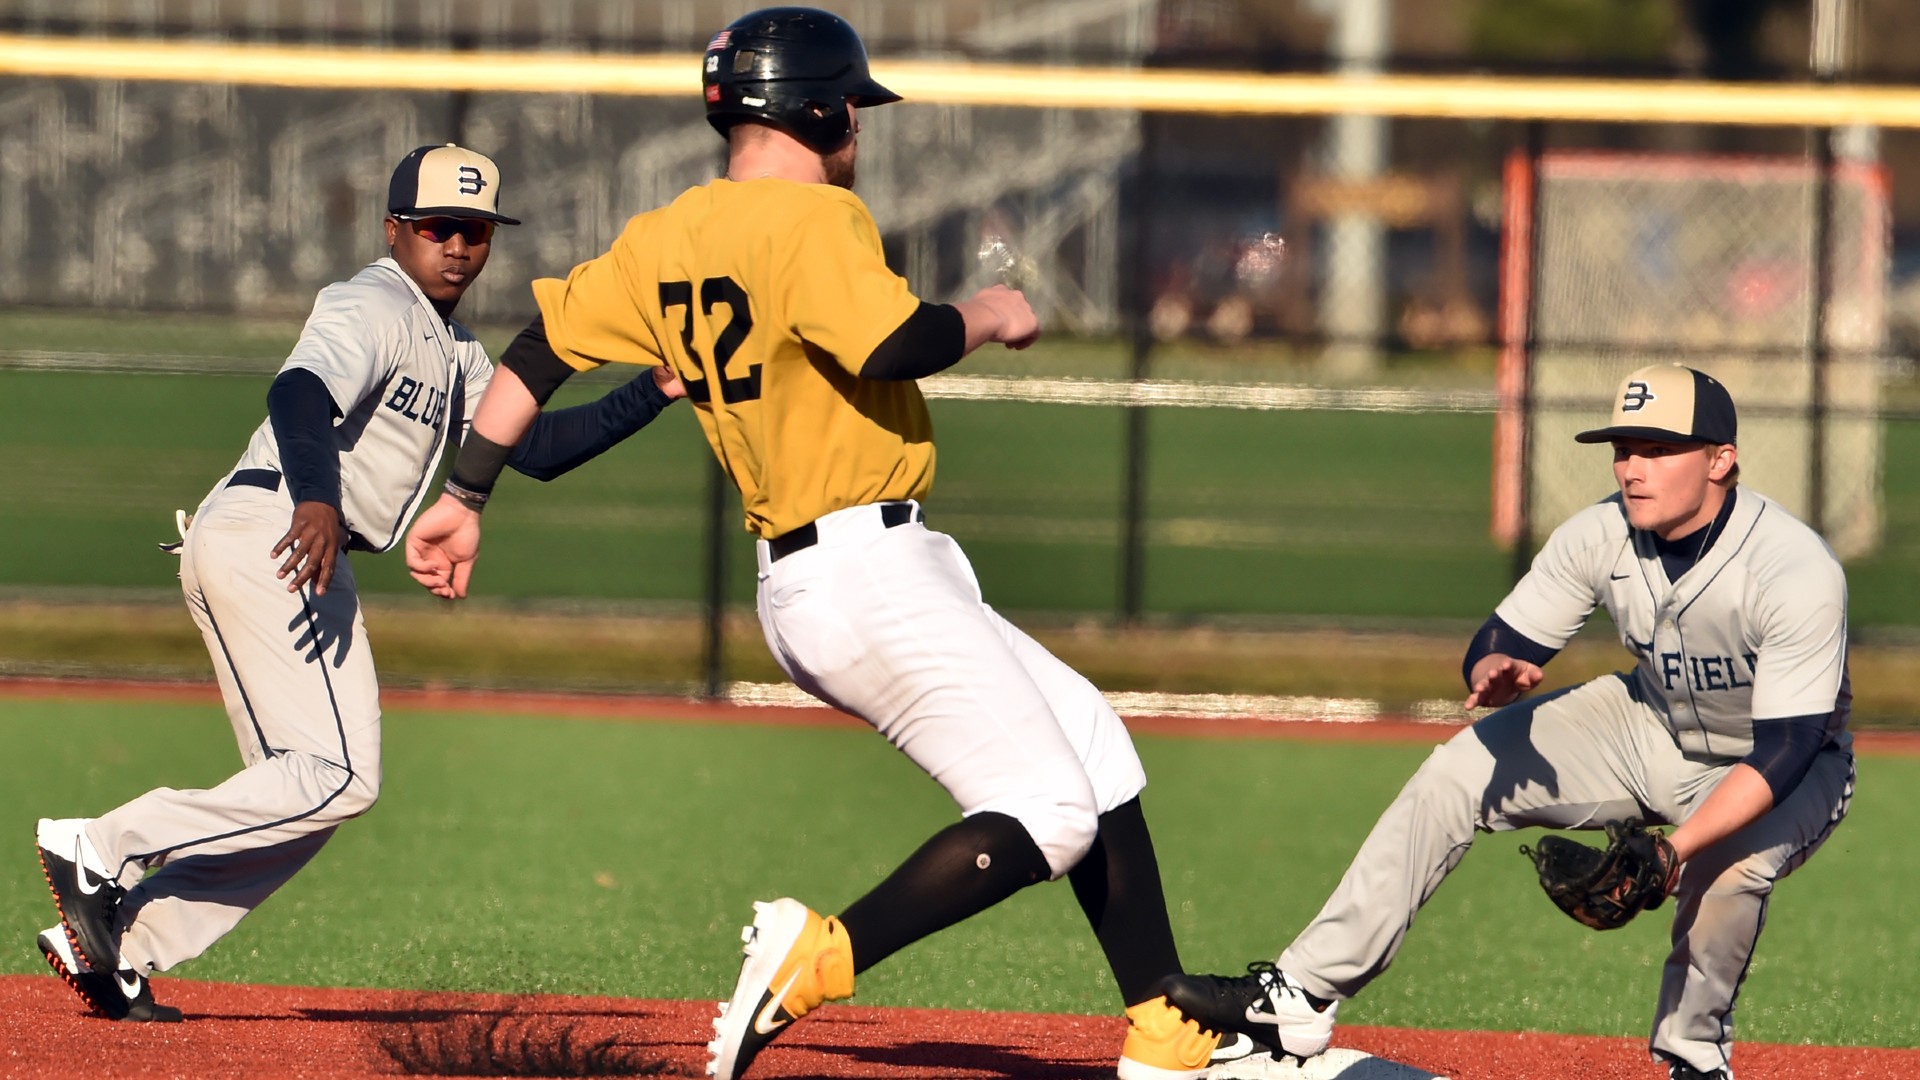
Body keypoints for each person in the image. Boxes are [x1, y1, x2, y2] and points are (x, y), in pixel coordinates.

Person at [401, 9, 1237, 1079]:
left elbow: (538, 351)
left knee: (1095, 749)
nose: (860, 131)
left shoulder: (664, 237)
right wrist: (986, 311)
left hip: (834, 572)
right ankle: (822, 952)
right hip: (862, 570)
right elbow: (896, 341)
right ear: (824, 109)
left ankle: (1164, 1024)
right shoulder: (817, 220)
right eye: (855, 110)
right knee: (1051, 809)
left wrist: (467, 491)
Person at [33, 144, 684, 1022]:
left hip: (291, 542)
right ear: (396, 230)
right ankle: (103, 843)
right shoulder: (372, 301)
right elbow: (299, 392)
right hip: (283, 531)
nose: (458, 246)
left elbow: (537, 448)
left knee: (314, 791)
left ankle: (119, 943)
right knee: (340, 777)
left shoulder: (455, 349)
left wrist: (657, 388)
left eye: (477, 231)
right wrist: (316, 499)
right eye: (439, 227)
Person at [1158, 364, 1854, 1080]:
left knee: (1725, 869)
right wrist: (1493, 668)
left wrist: (1674, 850)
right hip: (1649, 722)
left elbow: (1789, 745)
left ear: (1720, 460)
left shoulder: (1793, 568)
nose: (1632, 468)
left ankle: (1693, 1059)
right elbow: (1503, 638)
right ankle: (1303, 995)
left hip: (1787, 765)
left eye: (1656, 449)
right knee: (1459, 770)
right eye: (1623, 449)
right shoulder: (1602, 531)